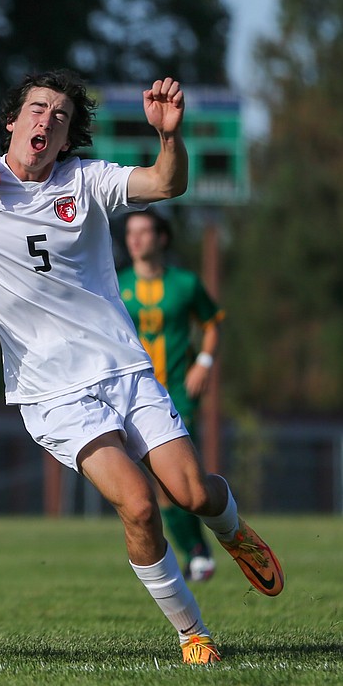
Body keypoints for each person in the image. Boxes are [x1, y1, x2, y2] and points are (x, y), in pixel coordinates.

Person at [0, 69, 284, 665]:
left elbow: (166, 183)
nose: (46, 121)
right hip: (50, 392)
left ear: (67, 138)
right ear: (12, 119)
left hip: (124, 369)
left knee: (191, 492)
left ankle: (233, 529)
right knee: (138, 504)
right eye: (36, 108)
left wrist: (169, 136)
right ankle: (193, 633)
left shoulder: (84, 180)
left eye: (59, 116)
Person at [118, 209, 224, 582]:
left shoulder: (184, 284)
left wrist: (204, 362)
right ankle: (197, 550)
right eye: (131, 232)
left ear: (161, 238)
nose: (136, 239)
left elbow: (212, 323)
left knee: (174, 483)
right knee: (161, 487)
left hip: (177, 391)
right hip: (132, 394)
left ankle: (201, 549)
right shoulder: (116, 284)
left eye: (145, 231)